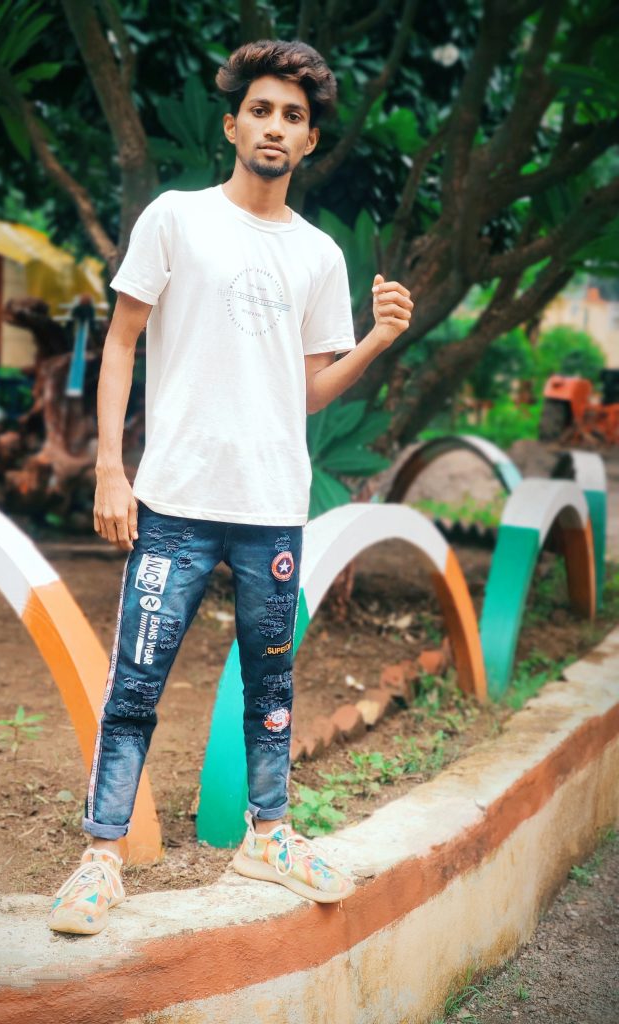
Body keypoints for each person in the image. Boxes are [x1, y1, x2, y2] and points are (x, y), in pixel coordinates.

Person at [48, 38, 413, 935]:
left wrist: (375, 340)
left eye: (294, 115)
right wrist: (110, 466)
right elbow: (124, 339)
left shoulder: (319, 257)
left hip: (271, 508)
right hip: (173, 499)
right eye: (262, 109)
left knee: (273, 687)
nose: (276, 126)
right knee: (135, 682)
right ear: (232, 123)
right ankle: (100, 858)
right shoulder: (177, 218)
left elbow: (309, 389)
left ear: (310, 141)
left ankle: (270, 834)